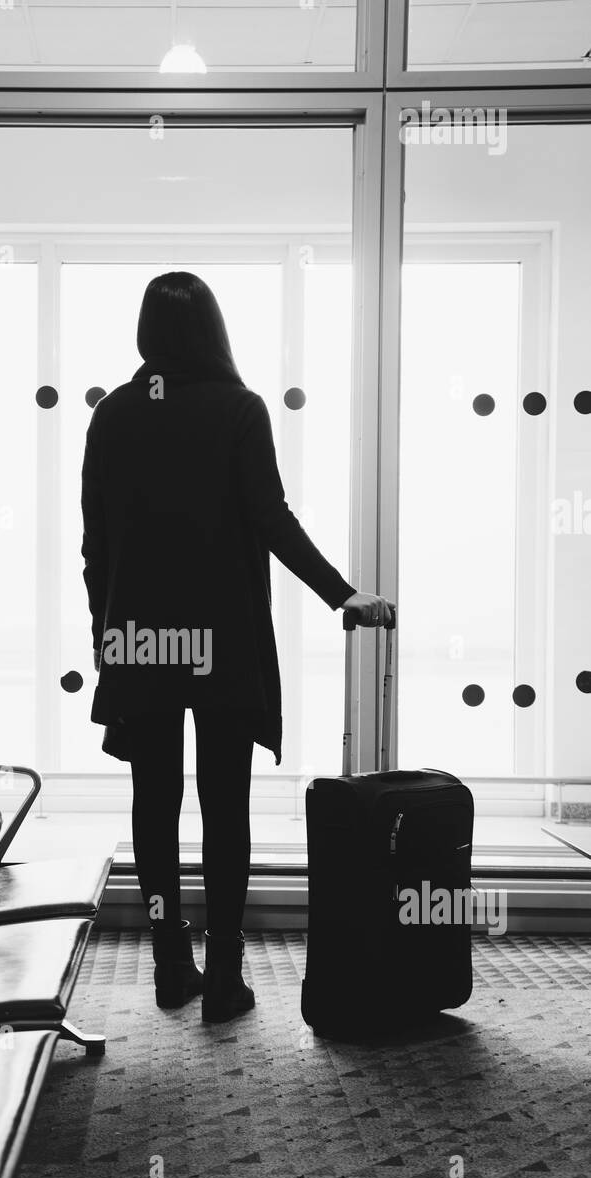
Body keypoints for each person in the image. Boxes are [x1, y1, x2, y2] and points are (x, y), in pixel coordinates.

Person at [81, 271, 391, 1024]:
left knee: (154, 805)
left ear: (145, 334)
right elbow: (271, 518)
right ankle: (223, 976)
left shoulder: (114, 415)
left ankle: (166, 961)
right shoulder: (239, 410)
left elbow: (95, 545)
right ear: (215, 331)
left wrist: (106, 638)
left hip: (142, 641)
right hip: (222, 641)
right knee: (226, 806)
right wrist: (342, 594)